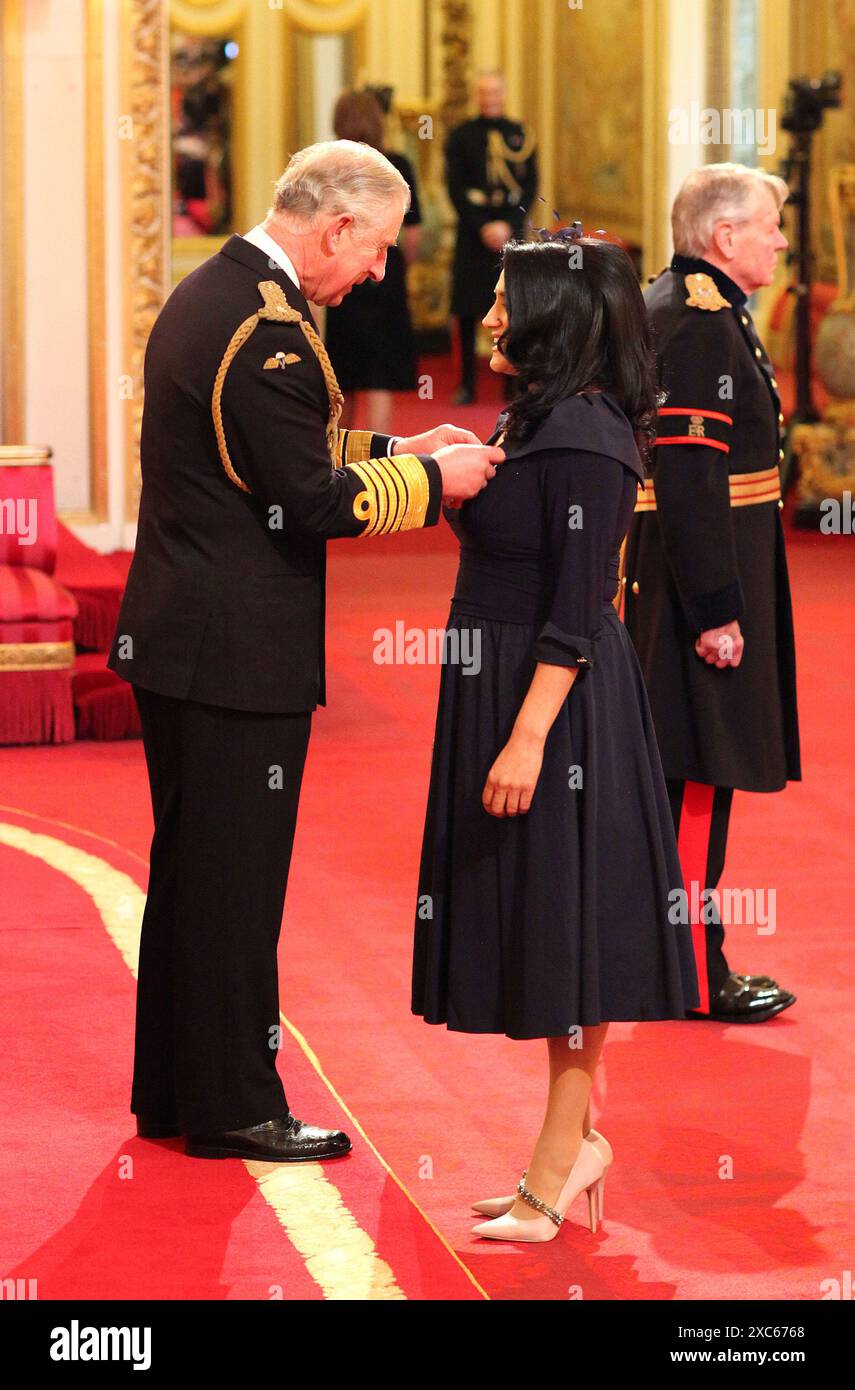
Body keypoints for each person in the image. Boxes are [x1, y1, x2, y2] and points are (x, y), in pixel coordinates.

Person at [107, 140, 504, 1164]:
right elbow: (306, 498)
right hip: (233, 649)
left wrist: (401, 450)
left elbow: (278, 448)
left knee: (194, 873)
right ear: (333, 228)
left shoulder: (221, 295)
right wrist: (435, 488)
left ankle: (176, 1089)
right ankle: (237, 1101)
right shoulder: (269, 328)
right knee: (235, 883)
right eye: (372, 249)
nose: (375, 271)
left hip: (186, 635)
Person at [412, 232, 699, 1243]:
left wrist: (527, 737)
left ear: (555, 315)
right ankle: (573, 1145)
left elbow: (578, 610)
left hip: (556, 704)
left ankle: (560, 1160)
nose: (488, 316)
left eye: (504, 300)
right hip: (511, 687)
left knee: (568, 934)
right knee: (546, 927)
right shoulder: (543, 420)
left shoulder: (582, 434)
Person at [623, 163, 800, 1024]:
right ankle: (692, 970)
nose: (779, 239)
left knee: (688, 775)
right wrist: (717, 611)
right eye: (769, 224)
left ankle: (672, 955)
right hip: (699, 580)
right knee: (695, 775)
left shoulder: (699, 307)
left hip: (695, 570)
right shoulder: (696, 326)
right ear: (723, 238)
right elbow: (691, 477)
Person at [324, 88, 421, 437]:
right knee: (381, 376)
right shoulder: (399, 165)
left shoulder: (331, 169)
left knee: (343, 378)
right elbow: (413, 234)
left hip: (343, 273)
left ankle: (338, 464)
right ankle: (381, 464)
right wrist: (395, 266)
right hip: (385, 273)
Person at [445, 70, 538, 404]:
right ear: (476, 95)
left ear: (504, 93)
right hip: (473, 235)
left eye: (495, 91)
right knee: (468, 309)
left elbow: (529, 189)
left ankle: (511, 383)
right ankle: (466, 383)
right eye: (483, 92)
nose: (489, 97)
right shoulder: (460, 136)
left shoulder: (520, 135)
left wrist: (507, 226)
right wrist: (483, 226)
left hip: (510, 231)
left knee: (515, 306)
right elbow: (455, 189)